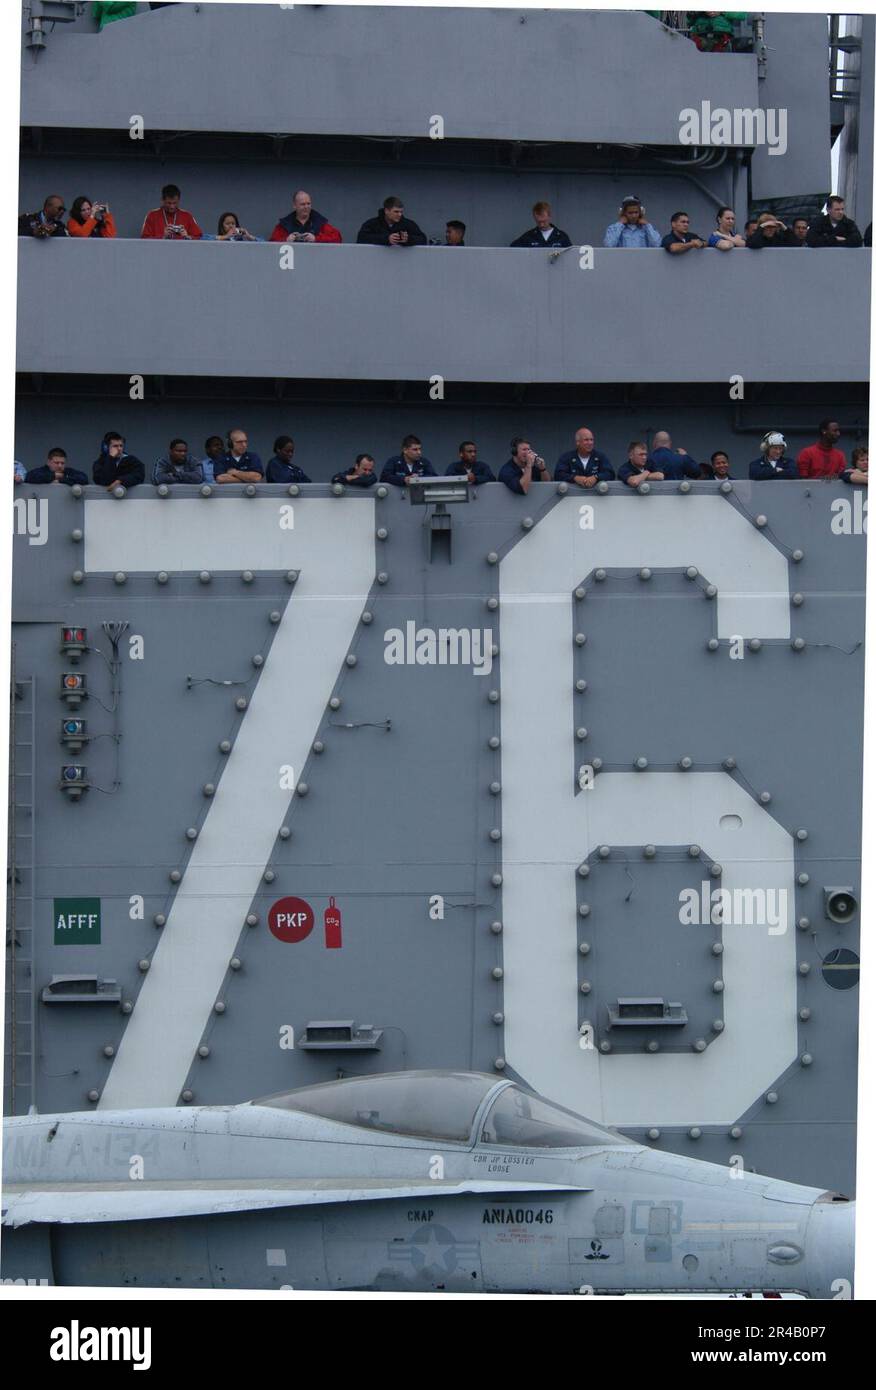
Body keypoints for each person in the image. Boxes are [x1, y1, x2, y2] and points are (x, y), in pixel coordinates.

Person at [269, 191, 342, 244]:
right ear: (294, 206)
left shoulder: (319, 222)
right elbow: (271, 243)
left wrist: (315, 239)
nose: (306, 207)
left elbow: (337, 238)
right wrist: (286, 240)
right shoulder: (284, 225)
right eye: (302, 204)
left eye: (308, 204)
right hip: (291, 263)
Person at [357, 197, 427, 247]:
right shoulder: (372, 224)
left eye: (401, 212)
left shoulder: (408, 224)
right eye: (396, 212)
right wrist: (386, 239)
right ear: (386, 211)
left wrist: (408, 239)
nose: (399, 214)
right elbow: (361, 238)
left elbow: (423, 239)